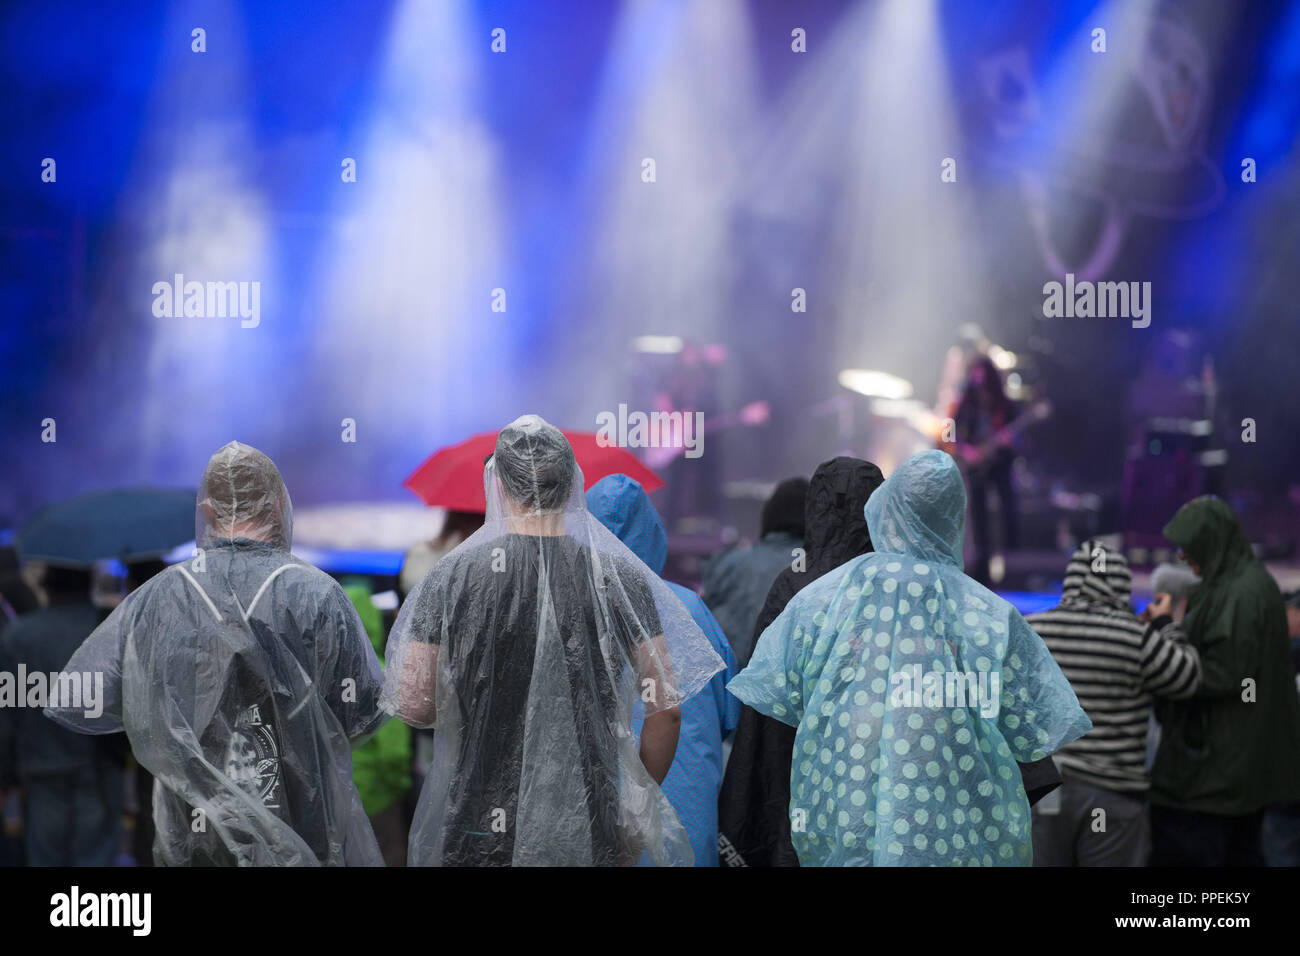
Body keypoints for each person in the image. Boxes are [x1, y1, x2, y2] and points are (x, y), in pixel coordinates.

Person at [382, 415, 724, 866]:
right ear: (571, 486)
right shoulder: (619, 578)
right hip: (589, 819)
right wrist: (637, 812)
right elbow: (667, 712)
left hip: (478, 819)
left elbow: (414, 705)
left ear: (498, 485)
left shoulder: (451, 577)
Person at [728, 450, 1091, 865]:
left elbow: (775, 696)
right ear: (956, 518)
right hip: (962, 844)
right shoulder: (992, 618)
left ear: (885, 510)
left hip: (846, 836)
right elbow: (1032, 734)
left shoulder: (823, 601)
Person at [46, 441, 386, 866]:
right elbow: (362, 715)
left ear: (206, 511)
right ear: (281, 503)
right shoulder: (319, 594)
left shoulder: (159, 597)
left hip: (192, 833)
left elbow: (82, 698)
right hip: (303, 826)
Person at [717, 457, 884, 866]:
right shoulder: (895, 582)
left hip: (797, 772)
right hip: (879, 771)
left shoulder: (793, 583)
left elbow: (762, 706)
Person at [586, 474, 740, 866]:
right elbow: (729, 712)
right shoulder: (690, 610)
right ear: (653, 532)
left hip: (604, 833)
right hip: (686, 830)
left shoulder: (569, 608)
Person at [1026, 542, 1200, 866]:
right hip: (1111, 796)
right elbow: (1187, 677)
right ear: (1121, 582)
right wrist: (1164, 626)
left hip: (1047, 791)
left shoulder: (1035, 630)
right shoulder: (1136, 637)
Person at [1149, 496, 1300, 866]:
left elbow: (1216, 674)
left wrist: (1165, 628)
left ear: (1211, 541)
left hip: (1214, 777)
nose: (1183, 557)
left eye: (1188, 547)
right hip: (1233, 773)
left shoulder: (1240, 594)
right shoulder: (1247, 583)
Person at [0, 565, 125, 866]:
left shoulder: (17, 636)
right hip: (97, 763)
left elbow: (6, 715)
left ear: (46, 587)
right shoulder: (108, 627)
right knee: (95, 853)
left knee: (44, 853)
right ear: (87, 584)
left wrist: (5, 775)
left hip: (39, 763)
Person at [700, 477, 808, 667]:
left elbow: (705, 620)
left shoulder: (730, 563)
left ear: (769, 515)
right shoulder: (828, 569)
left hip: (730, 685)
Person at [344, 577, 412, 868]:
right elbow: (393, 751)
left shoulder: (321, 673)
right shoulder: (381, 673)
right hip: (378, 796)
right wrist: (401, 786)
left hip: (339, 796)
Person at [952, 355, 1019, 584]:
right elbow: (950, 431)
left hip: (999, 465)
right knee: (978, 517)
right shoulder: (966, 403)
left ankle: (1012, 565)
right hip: (975, 467)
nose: (977, 378)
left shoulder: (1004, 404)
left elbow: (1017, 440)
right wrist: (964, 450)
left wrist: (1010, 442)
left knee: (1007, 510)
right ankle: (982, 570)